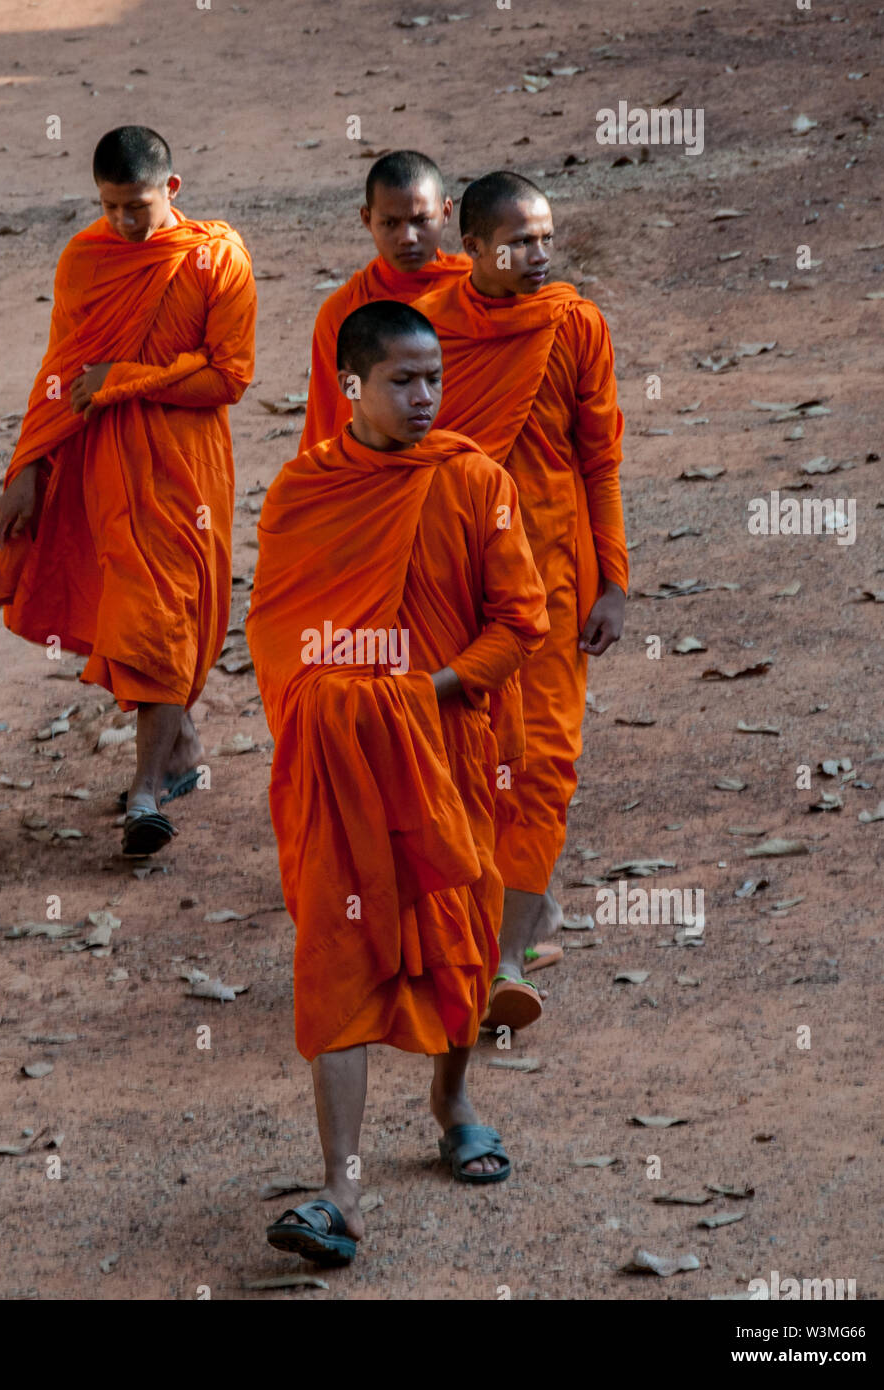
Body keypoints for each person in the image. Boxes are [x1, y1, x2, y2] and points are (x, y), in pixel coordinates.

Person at [246, 301, 549, 1265]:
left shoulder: (473, 480)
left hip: (448, 747)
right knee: (337, 953)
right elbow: (277, 631)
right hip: (340, 766)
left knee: (458, 938)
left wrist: (429, 693)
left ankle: (453, 1097)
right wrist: (341, 708)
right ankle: (338, 1188)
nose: (424, 399)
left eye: (433, 380)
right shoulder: (304, 490)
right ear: (349, 389)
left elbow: (519, 622)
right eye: (401, 382)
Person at [0, 126, 256, 857]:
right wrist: (30, 469)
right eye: (111, 207)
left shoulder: (217, 259)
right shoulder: (86, 259)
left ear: (171, 190)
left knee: (163, 614)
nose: (125, 223)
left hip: (187, 468)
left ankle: (143, 794)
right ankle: (177, 753)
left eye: (136, 206)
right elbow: (61, 368)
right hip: (106, 461)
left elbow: (228, 377)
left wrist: (123, 379)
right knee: (133, 614)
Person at [414, 171, 628, 1031]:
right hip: (455, 579)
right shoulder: (430, 331)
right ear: (470, 249)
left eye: (546, 237)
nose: (538, 255)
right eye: (517, 242)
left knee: (540, 764)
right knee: (461, 762)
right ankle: (479, 928)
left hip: (552, 578)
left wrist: (614, 580)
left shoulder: (574, 325)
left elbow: (599, 458)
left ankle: (505, 960)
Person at [298, 150, 470, 452]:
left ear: (446, 212)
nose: (407, 237)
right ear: (367, 219)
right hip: (373, 475)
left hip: (467, 476)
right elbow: (327, 416)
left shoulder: (476, 293)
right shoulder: (344, 310)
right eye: (390, 224)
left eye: (421, 220)